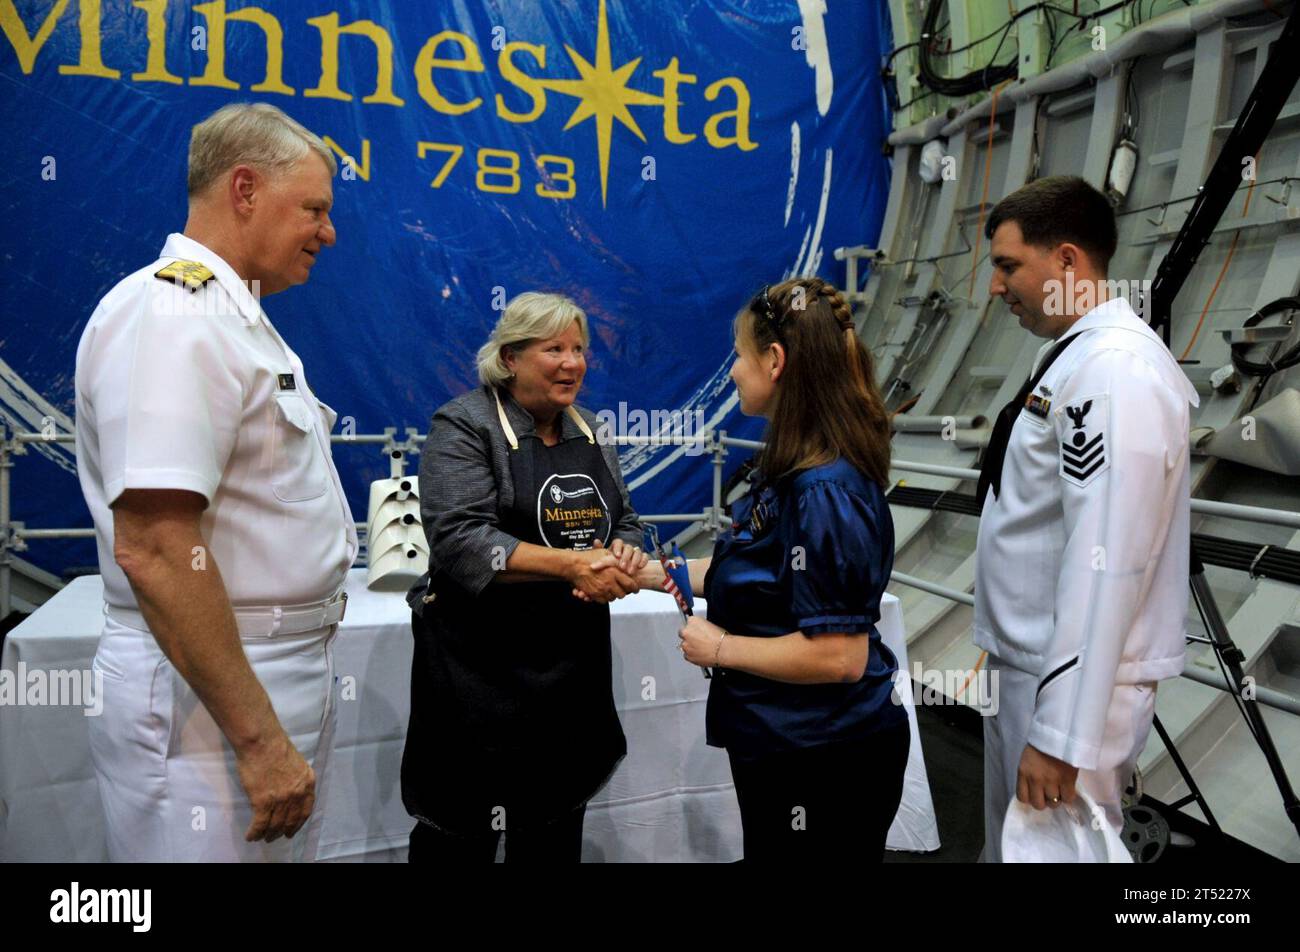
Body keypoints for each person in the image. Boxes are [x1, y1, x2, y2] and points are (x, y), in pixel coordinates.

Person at [73, 102, 355, 862]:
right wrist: (260, 741)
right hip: (211, 702)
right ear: (244, 190)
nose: (328, 233)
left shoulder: (233, 317)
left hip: (258, 679)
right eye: (316, 209)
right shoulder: (176, 314)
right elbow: (158, 547)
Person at [637, 277, 910, 862]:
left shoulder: (825, 489)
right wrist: (650, 572)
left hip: (825, 754)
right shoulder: (794, 468)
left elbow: (840, 657)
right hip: (787, 743)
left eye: (739, 355)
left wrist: (721, 648)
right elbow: (753, 572)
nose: (733, 370)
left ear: (776, 361)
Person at [975, 175, 1199, 861]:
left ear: (1067, 261)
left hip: (1069, 691)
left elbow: (1106, 562)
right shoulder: (1077, 357)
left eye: (1008, 264)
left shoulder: (1113, 372)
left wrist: (1061, 735)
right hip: (1037, 672)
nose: (995, 286)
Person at [402, 291, 647, 863]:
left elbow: (630, 522)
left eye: (580, 349)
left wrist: (623, 556)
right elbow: (462, 542)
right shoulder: (464, 425)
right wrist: (574, 565)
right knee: (459, 833)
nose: (573, 363)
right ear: (509, 357)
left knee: (554, 824)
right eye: (554, 348)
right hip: (479, 670)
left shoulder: (588, 428)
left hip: (570, 670)